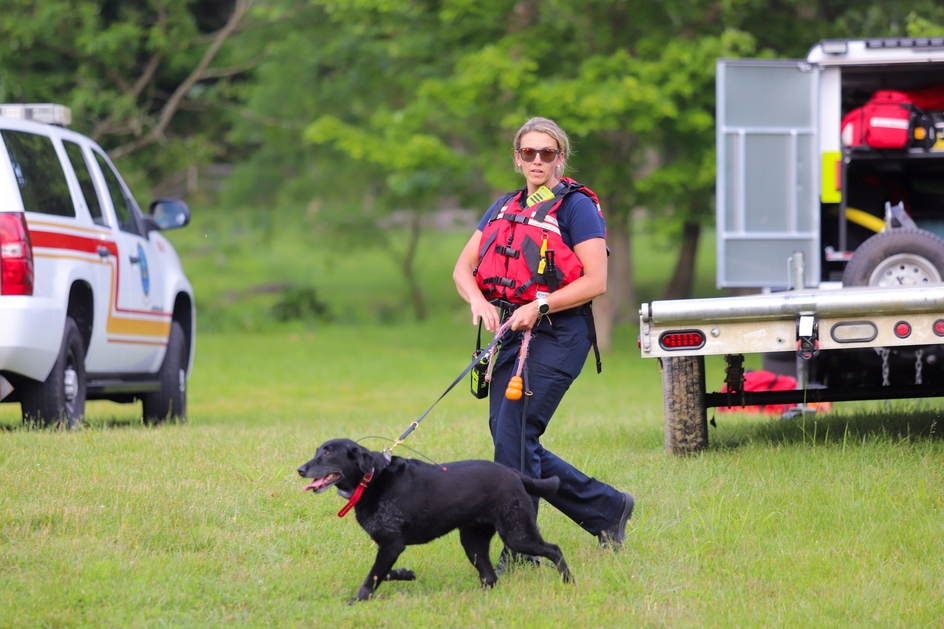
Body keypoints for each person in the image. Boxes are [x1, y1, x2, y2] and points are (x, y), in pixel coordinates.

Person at [453, 117, 634, 556]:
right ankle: (607, 508)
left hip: (560, 333)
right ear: (518, 158)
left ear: (560, 158)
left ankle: (522, 547)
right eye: (529, 153)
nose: (537, 160)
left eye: (547, 153)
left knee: (514, 435)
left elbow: (596, 280)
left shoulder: (576, 208)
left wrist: (542, 305)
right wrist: (478, 300)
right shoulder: (502, 206)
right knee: (510, 435)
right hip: (514, 330)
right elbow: (462, 269)